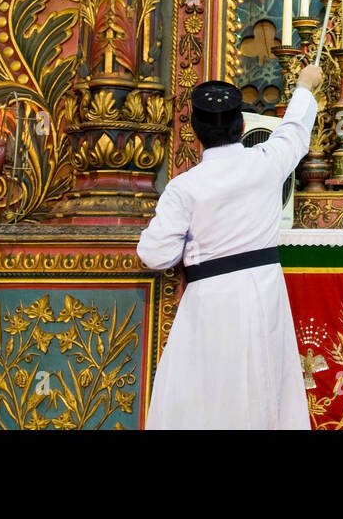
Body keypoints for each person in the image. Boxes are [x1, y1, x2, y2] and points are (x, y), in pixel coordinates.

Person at [138, 63, 323, 429]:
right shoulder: (267, 163)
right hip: (262, 295)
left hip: (211, 301)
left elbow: (154, 253)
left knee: (208, 396)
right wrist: (304, 85)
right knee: (264, 391)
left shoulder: (185, 187)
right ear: (242, 126)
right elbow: (294, 131)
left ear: (195, 133)